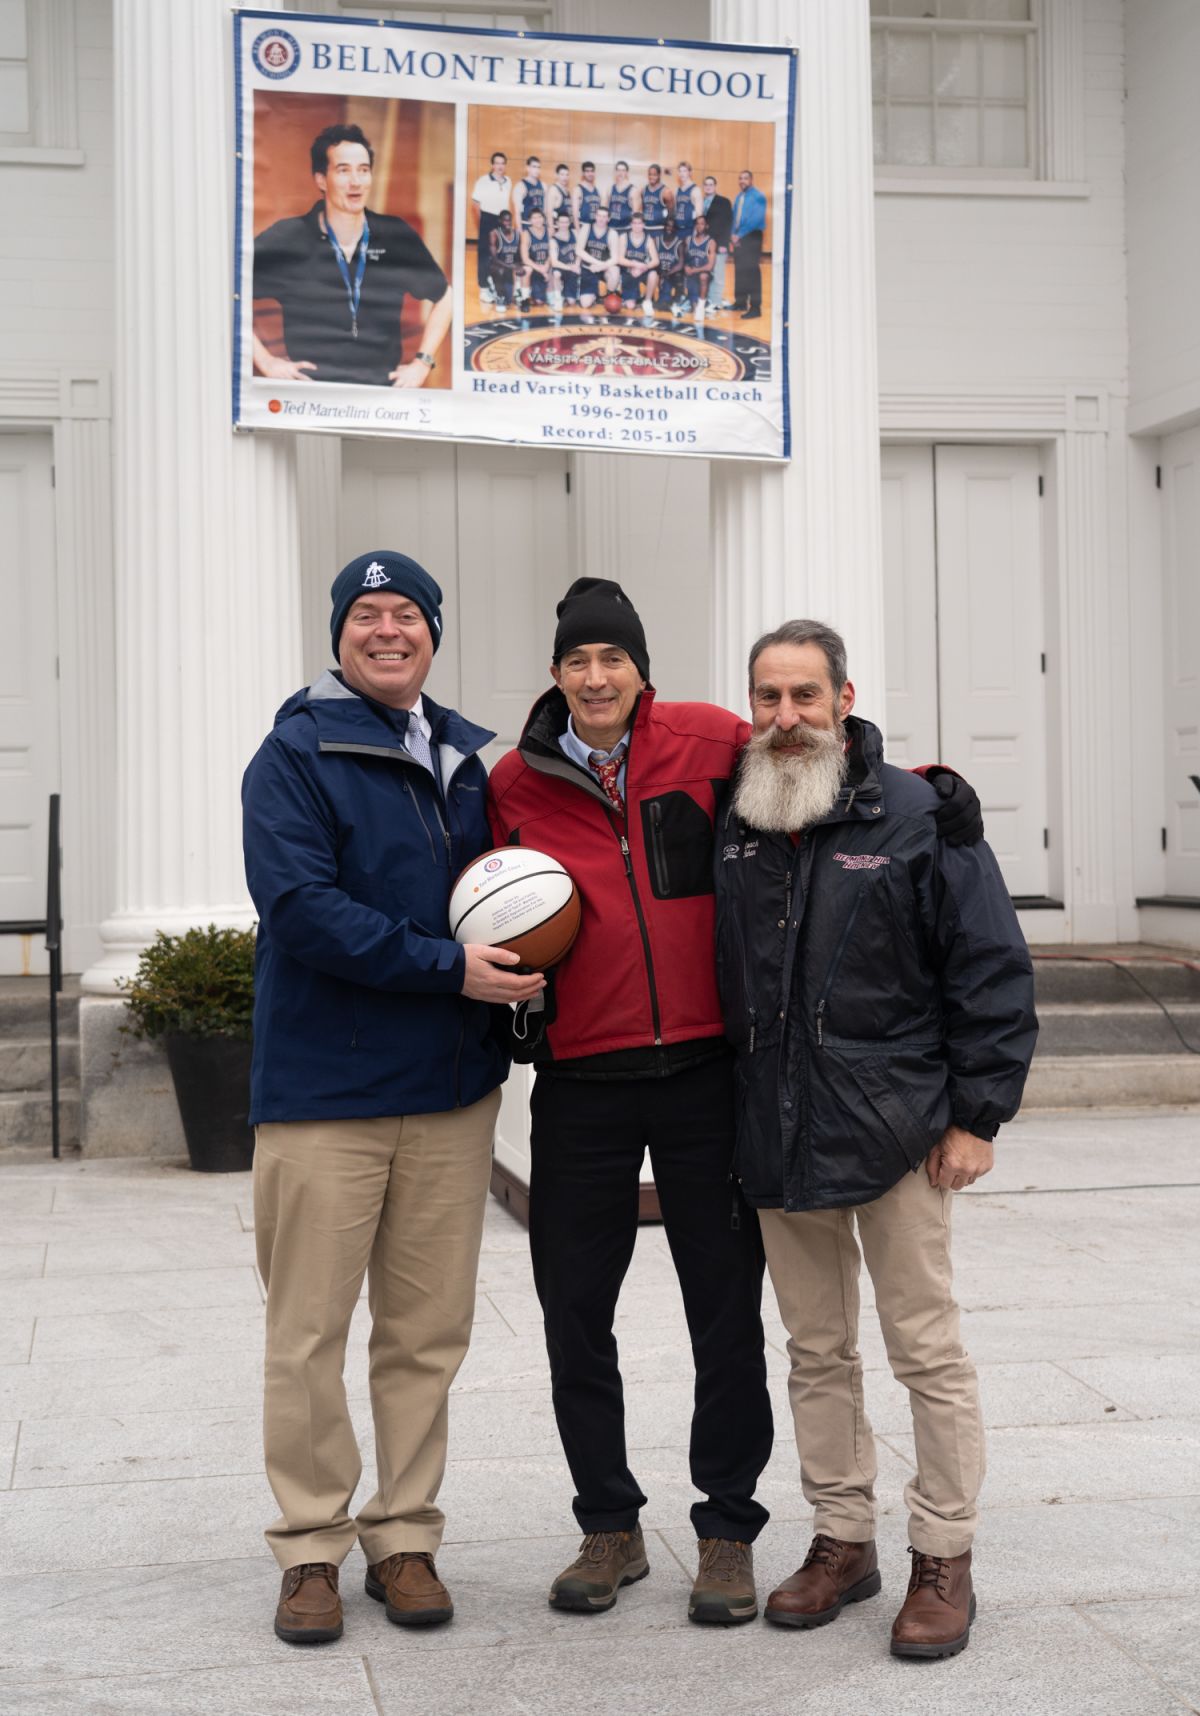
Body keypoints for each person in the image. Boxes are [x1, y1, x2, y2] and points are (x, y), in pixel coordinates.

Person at [485, 580, 985, 1628]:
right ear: (556, 674)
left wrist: (933, 785)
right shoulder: (511, 784)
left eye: (612, 658)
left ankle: (726, 1532)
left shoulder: (712, 739)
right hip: (581, 1083)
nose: (596, 676)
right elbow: (473, 892)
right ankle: (608, 1525)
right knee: (577, 1315)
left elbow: (826, 768)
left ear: (641, 671)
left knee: (729, 1315)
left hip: (711, 1080)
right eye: (578, 660)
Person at [713, 619, 1037, 1660]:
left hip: (900, 1131)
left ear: (845, 699)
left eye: (806, 696)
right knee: (814, 1351)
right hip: (777, 1128)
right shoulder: (739, 816)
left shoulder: (916, 814)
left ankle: (944, 1555)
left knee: (926, 1352)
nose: (786, 718)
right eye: (768, 697)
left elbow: (988, 965)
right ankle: (843, 1538)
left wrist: (976, 1116)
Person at [243, 551, 543, 1646]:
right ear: (338, 635)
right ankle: (312, 1549)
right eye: (365, 615)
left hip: (451, 1092)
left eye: (405, 615)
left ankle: (404, 1537)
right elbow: (302, 910)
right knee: (308, 1332)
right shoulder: (293, 755)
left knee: (425, 1333)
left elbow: (501, 897)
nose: (385, 631)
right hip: (326, 1093)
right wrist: (449, 970)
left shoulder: (468, 760)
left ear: (432, 634)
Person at [253, 123, 450, 388]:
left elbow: (446, 296)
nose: (356, 181)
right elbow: (225, 290)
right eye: (343, 170)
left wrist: (422, 363)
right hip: (310, 394)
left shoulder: (394, 234)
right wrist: (265, 361)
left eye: (364, 170)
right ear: (321, 179)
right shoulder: (289, 236)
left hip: (382, 392)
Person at [470, 149, 511, 302]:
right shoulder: (483, 181)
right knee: (485, 254)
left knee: (499, 254)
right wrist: (483, 222)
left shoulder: (508, 181)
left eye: (502, 163)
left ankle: (493, 283)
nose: (500, 166)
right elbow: (475, 204)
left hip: (502, 221)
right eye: (497, 163)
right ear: (492, 165)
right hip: (487, 219)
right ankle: (483, 288)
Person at [731, 168, 767, 320]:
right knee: (740, 270)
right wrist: (732, 235)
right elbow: (734, 218)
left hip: (752, 236)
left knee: (751, 272)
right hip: (738, 237)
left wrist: (739, 235)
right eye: (740, 178)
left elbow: (755, 220)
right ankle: (740, 302)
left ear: (751, 180)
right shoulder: (739, 197)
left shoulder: (759, 196)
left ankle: (755, 307)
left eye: (745, 178)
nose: (742, 181)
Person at [702, 174, 733, 311]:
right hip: (705, 244)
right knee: (708, 272)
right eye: (706, 185)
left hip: (719, 244)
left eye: (711, 184)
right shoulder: (701, 202)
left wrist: (723, 244)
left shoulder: (724, 202)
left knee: (718, 273)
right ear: (703, 187)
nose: (708, 187)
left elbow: (728, 224)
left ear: (715, 186)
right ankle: (710, 298)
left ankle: (716, 301)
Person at [578, 207, 621, 307]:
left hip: (604, 268)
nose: (601, 219)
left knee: (615, 272)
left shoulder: (612, 233)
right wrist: (598, 264)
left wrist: (601, 266)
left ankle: (608, 294)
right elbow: (578, 251)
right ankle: (596, 294)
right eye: (599, 216)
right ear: (595, 216)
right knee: (585, 304)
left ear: (608, 219)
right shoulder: (586, 228)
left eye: (604, 216)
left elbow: (615, 258)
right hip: (589, 268)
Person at [618, 213, 659, 315]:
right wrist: (635, 265)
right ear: (631, 224)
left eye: (639, 223)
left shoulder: (648, 239)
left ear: (643, 225)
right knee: (630, 306)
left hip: (641, 271)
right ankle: (626, 297)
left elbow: (656, 261)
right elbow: (619, 259)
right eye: (634, 223)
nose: (636, 226)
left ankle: (647, 301)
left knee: (653, 274)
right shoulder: (624, 237)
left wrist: (643, 268)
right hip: (628, 272)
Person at [683, 216, 716, 322]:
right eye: (697, 223)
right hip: (691, 273)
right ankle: (690, 302)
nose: (699, 226)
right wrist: (686, 266)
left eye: (702, 224)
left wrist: (694, 270)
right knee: (693, 306)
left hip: (703, 272)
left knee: (703, 276)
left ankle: (701, 306)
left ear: (707, 226)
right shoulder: (688, 240)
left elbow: (710, 266)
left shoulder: (711, 242)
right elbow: (684, 258)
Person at [487, 209, 521, 311]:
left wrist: (519, 265)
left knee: (509, 300)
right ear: (500, 221)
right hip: (499, 266)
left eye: (510, 220)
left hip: (510, 268)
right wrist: (510, 266)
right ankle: (498, 295)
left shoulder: (517, 234)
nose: (508, 223)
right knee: (499, 270)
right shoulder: (494, 234)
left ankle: (518, 294)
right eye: (505, 220)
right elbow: (494, 258)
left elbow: (519, 255)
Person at [520, 208, 554, 307]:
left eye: (539, 217)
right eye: (534, 218)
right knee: (527, 269)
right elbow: (525, 258)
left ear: (543, 218)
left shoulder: (550, 231)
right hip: (534, 268)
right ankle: (524, 299)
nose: (537, 220)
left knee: (540, 302)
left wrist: (546, 266)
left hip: (546, 266)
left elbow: (553, 252)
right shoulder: (526, 234)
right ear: (530, 220)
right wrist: (541, 269)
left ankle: (554, 293)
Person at [550, 212, 581, 311]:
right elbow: (554, 262)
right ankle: (558, 298)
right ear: (557, 223)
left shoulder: (575, 233)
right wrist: (571, 267)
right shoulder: (553, 240)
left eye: (566, 222)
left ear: (569, 223)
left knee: (571, 302)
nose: (564, 225)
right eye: (561, 222)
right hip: (562, 267)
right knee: (556, 274)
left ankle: (574, 290)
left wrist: (576, 264)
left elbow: (580, 252)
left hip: (573, 267)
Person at [655, 219, 685, 310]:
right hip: (660, 272)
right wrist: (660, 273)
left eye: (672, 226)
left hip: (672, 273)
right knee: (653, 275)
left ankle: (678, 298)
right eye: (668, 225)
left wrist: (668, 273)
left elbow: (681, 264)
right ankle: (651, 298)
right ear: (664, 227)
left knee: (679, 276)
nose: (669, 228)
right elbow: (653, 259)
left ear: (675, 229)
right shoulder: (657, 240)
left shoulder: (679, 243)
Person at [514, 155, 546, 228]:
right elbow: (517, 212)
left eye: (538, 167)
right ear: (528, 168)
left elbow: (545, 210)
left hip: (541, 225)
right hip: (527, 225)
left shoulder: (543, 186)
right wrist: (520, 230)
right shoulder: (521, 186)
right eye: (534, 167)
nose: (537, 170)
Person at [607, 160, 639, 234]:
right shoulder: (610, 189)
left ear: (627, 173)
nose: (620, 173)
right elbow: (604, 210)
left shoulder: (633, 190)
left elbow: (636, 214)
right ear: (615, 172)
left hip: (626, 229)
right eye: (618, 170)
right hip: (611, 228)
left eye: (623, 170)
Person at [672, 161, 700, 242]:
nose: (682, 173)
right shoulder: (677, 190)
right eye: (680, 171)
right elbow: (674, 210)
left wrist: (696, 231)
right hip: (677, 230)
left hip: (689, 230)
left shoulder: (695, 190)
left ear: (690, 173)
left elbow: (699, 214)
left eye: (684, 171)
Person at [641, 163, 670, 238]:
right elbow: (642, 208)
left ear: (659, 175)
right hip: (645, 228)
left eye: (654, 175)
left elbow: (671, 211)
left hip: (659, 229)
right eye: (650, 174)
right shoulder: (643, 190)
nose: (651, 177)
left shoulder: (666, 191)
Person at [573, 160, 604, 228]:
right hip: (582, 225)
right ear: (583, 173)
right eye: (587, 171)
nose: (590, 173)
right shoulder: (578, 189)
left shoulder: (598, 191)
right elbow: (575, 214)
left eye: (592, 171)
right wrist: (578, 230)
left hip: (594, 227)